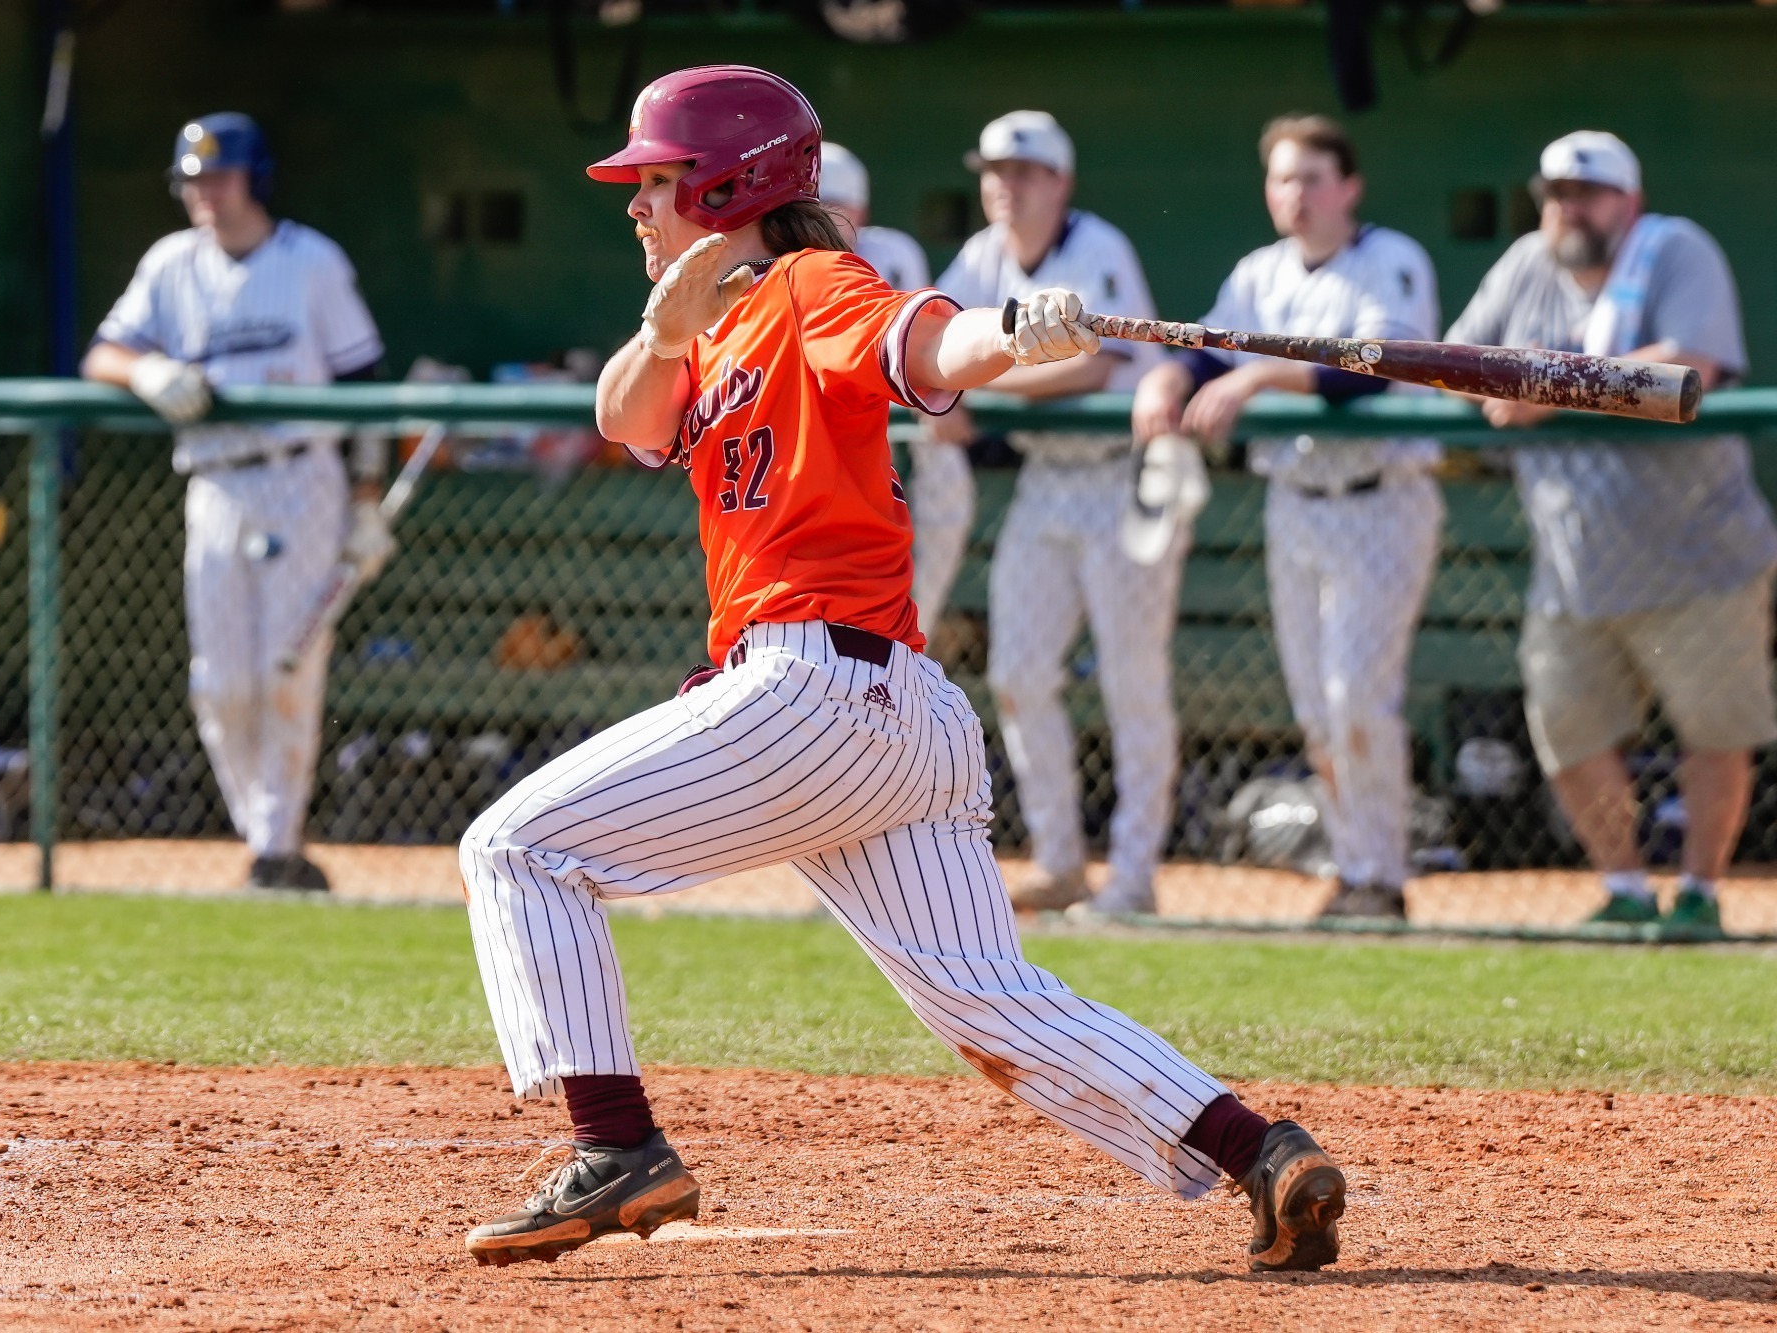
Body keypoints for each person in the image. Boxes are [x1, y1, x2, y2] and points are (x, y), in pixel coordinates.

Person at [458, 65, 1346, 1275]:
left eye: (654, 183)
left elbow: (922, 342)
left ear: (726, 184)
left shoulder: (810, 283)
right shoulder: (707, 325)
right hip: (892, 716)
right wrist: (668, 325)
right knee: (987, 997)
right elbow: (629, 416)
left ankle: (612, 1145)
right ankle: (1260, 1150)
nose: (633, 206)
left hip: (809, 689)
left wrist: (1010, 332)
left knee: (517, 848)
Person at [1445, 130, 1777, 936]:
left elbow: (1689, 362)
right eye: (1555, 192)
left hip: (1700, 554)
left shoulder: (1673, 251)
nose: (1568, 208)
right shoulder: (1527, 261)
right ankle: (1625, 886)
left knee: (1715, 731)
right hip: (1574, 561)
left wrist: (1544, 389)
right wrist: (1491, 384)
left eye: (1587, 194)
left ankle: (1698, 892)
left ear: (1628, 203)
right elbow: (1457, 353)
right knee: (1567, 728)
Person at [1132, 114, 1442, 920]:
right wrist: (1168, 378)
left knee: (1355, 698)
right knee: (1314, 706)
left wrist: (1261, 381)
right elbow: (1209, 351)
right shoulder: (1260, 271)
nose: (1295, 194)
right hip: (1296, 502)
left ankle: (1381, 874)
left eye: (1311, 177)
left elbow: (1374, 372)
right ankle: (1355, 870)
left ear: (1348, 186)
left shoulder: (1389, 261)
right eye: (1281, 178)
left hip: (1379, 499)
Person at [82, 113, 391, 891]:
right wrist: (145, 374)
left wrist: (365, 500)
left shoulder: (311, 261)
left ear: (254, 179)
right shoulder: (171, 263)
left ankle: (274, 846)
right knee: (220, 682)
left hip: (302, 476)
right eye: (192, 180)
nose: (204, 194)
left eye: (218, 178)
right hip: (216, 482)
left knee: (286, 669)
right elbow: (102, 353)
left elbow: (365, 387)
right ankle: (263, 833)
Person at [928, 110, 1178, 915]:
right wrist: (949, 391)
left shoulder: (1095, 247)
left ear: (1059, 182)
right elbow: (937, 348)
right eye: (995, 170)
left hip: (1122, 478)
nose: (1006, 185)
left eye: (1025, 171)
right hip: (1046, 480)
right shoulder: (981, 256)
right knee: (1017, 674)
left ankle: (1134, 877)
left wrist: (978, 389)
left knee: (1133, 681)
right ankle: (1061, 858)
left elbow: (1089, 362)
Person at [819, 141, 972, 641]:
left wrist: (937, 397)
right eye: (811, 204)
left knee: (945, 471)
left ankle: (911, 632)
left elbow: (925, 350)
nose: (821, 217)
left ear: (859, 210)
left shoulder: (891, 253)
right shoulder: (769, 267)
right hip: (824, 453)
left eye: (834, 205)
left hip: (894, 446)